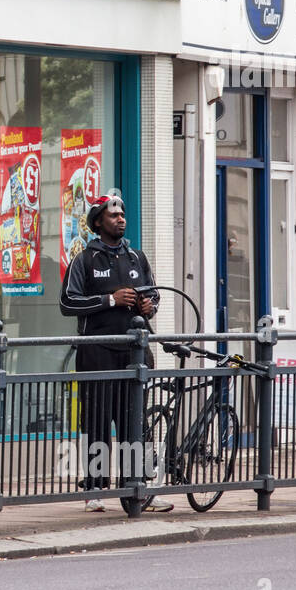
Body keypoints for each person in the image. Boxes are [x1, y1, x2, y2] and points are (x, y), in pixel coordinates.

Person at [59, 194, 173, 513]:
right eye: (113, 215)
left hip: (134, 353)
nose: (121, 218)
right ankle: (94, 490)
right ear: (98, 222)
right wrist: (109, 300)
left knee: (133, 422)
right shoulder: (85, 260)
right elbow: (67, 303)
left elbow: (153, 297)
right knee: (96, 420)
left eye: (122, 214)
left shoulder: (137, 257)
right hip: (96, 352)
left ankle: (137, 489)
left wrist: (149, 306)